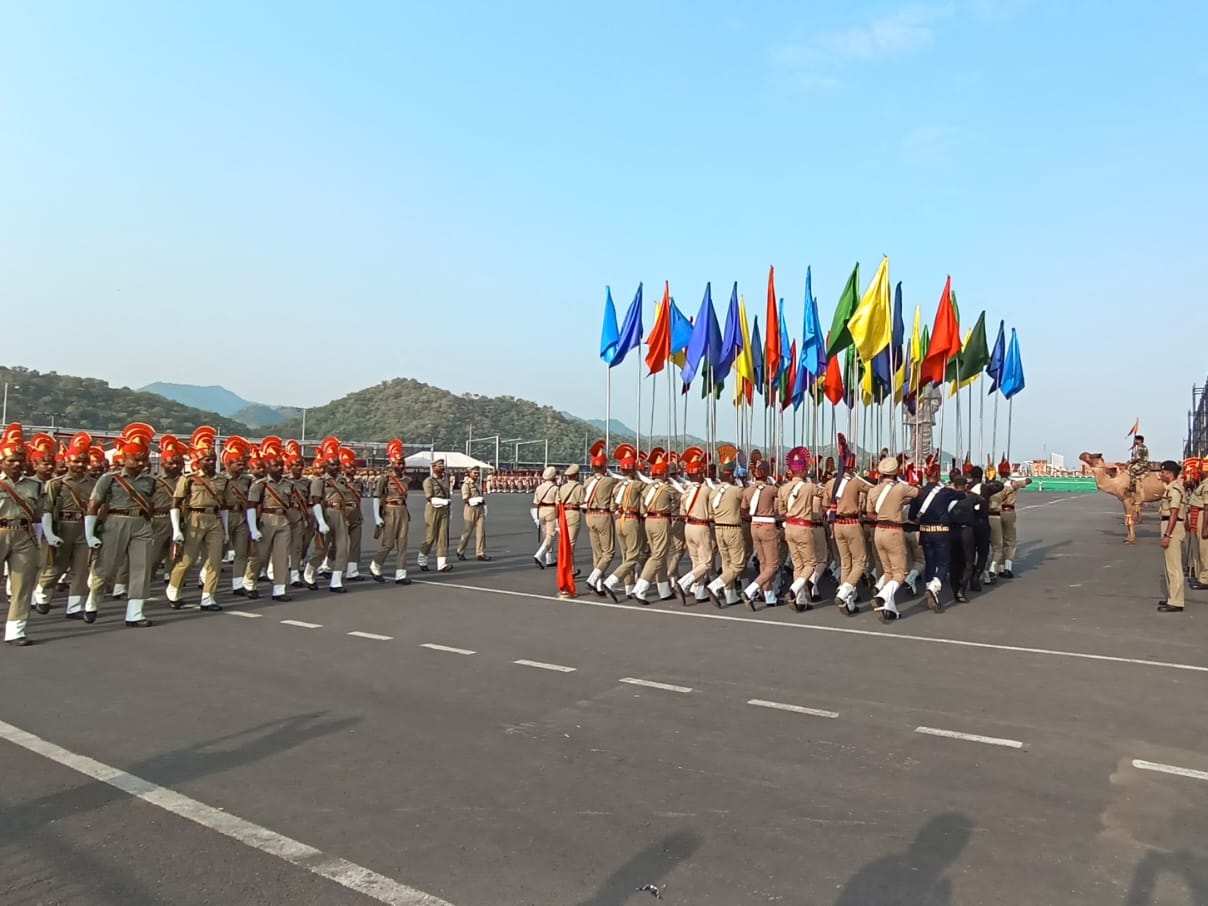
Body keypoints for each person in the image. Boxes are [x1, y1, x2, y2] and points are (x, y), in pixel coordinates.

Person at [86, 424, 157, 627]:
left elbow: (150, 503)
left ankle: (135, 613)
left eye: (144, 459)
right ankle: (93, 600)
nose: (141, 463)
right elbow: (93, 505)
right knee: (105, 566)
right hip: (114, 522)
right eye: (137, 459)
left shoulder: (150, 481)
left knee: (141, 568)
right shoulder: (109, 479)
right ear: (124, 459)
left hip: (140, 524)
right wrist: (90, 533)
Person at [167, 427, 230, 610]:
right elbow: (176, 503)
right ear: (198, 461)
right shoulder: (189, 478)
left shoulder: (222, 480)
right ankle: (173, 588)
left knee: (214, 560)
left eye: (213, 459)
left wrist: (225, 529)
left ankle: (208, 597)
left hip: (214, 520)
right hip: (195, 518)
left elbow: (224, 506)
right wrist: (177, 529)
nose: (211, 462)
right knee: (187, 560)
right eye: (207, 459)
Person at [36, 432, 95, 617]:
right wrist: (50, 534)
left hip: (83, 528)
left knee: (81, 570)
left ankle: (75, 607)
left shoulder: (94, 483)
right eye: (76, 461)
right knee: (55, 568)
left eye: (83, 462)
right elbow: (47, 509)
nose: (80, 465)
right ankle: (42, 594)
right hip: (62, 527)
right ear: (67, 462)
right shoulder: (56, 484)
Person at [0, 423, 42, 645]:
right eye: (11, 461)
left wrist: (39, 538)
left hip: (23, 534)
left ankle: (16, 630)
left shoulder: (34, 485)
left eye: (20, 460)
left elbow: (38, 513)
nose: (17, 464)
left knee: (23, 584)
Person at [867, 456, 920, 622]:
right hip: (893, 530)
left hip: (879, 530)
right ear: (895, 473)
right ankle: (883, 596)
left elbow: (869, 513)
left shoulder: (873, 490)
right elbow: (919, 492)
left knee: (888, 570)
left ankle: (890, 608)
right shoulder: (900, 489)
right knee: (900, 572)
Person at [909, 457, 962, 612]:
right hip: (942, 531)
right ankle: (935, 586)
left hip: (925, 532)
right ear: (938, 475)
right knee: (944, 562)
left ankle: (928, 588)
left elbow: (912, 516)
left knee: (930, 562)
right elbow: (961, 496)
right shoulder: (945, 491)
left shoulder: (919, 492)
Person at [246, 436, 294, 602]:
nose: (280, 468)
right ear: (267, 466)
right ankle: (250, 582)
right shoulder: (259, 485)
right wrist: (253, 528)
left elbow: (292, 504)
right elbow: (251, 506)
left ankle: (279, 589)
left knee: (282, 556)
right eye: (276, 465)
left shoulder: (288, 484)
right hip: (266, 519)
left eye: (281, 465)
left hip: (283, 520)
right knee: (260, 555)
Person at [306, 438, 354, 591]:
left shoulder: (342, 481)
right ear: (326, 465)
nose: (336, 467)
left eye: (337, 464)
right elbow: (316, 501)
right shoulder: (319, 481)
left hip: (340, 514)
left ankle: (336, 581)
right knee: (321, 549)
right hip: (326, 514)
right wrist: (320, 521)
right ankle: (309, 572)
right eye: (333, 464)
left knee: (342, 548)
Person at [777, 446, 819, 612]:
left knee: (798, 564)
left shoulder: (782, 488)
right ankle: (795, 589)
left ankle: (800, 600)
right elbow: (824, 493)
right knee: (811, 563)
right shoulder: (808, 487)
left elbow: (780, 511)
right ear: (803, 471)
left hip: (789, 526)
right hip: (803, 526)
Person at [632, 451, 676, 604]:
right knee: (657, 555)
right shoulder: (666, 488)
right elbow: (679, 498)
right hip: (661, 520)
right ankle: (641, 588)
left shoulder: (647, 488)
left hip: (648, 521)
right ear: (664, 474)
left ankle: (664, 590)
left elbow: (642, 506)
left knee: (659, 554)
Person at [602, 445, 644, 602]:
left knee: (626, 556)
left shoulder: (617, 486)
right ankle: (611, 581)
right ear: (633, 470)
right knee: (633, 556)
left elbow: (613, 506)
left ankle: (629, 588)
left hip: (619, 519)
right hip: (631, 520)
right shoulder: (637, 485)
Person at [741, 458, 783, 610]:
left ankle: (769, 596)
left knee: (764, 563)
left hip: (754, 526)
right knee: (772, 565)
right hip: (767, 525)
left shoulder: (747, 490)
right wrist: (775, 482)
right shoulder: (771, 489)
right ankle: (751, 590)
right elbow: (782, 493)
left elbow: (744, 510)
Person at [704, 455, 745, 608]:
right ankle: (716, 585)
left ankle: (731, 594)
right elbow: (745, 505)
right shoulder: (736, 490)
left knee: (727, 563)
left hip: (718, 528)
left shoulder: (714, 492)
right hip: (732, 528)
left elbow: (710, 513)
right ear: (730, 474)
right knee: (738, 564)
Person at [674, 447, 713, 605]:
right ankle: (685, 582)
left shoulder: (686, 491)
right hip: (701, 526)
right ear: (699, 474)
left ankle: (699, 591)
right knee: (707, 562)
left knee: (696, 560)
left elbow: (682, 512)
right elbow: (712, 511)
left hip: (688, 526)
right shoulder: (706, 490)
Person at [370, 439, 412, 584]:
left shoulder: (406, 479)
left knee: (402, 543)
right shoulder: (385, 479)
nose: (401, 466)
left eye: (402, 463)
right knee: (388, 544)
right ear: (392, 463)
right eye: (398, 463)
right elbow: (376, 497)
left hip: (402, 511)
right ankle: (375, 564)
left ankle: (401, 573)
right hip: (389, 511)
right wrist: (377, 517)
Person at [582, 441, 617, 596]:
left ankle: (599, 585)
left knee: (597, 553)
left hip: (589, 515)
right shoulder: (609, 481)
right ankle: (593, 579)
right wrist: (609, 473)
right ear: (604, 467)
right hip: (603, 516)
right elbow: (625, 480)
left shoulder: (587, 481)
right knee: (608, 552)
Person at [993, 458, 1031, 579]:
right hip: (1009, 512)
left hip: (996, 513)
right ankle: (1007, 568)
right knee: (1010, 541)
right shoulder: (1012, 484)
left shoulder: (995, 484)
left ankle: (995, 568)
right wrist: (1015, 482)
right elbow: (1028, 480)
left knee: (998, 542)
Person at [1157, 459, 1185, 613]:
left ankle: (1176, 601)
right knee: (1169, 566)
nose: (1161, 474)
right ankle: (1172, 597)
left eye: (1162, 472)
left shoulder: (1174, 490)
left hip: (1172, 527)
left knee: (1174, 567)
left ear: (1169, 473)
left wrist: (1167, 534)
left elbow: (1174, 513)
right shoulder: (1171, 488)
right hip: (1170, 525)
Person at [947, 475, 979, 603]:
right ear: (966, 486)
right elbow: (982, 502)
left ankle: (955, 589)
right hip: (967, 531)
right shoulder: (971, 497)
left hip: (952, 531)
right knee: (969, 561)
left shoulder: (948, 498)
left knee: (953, 562)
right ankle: (962, 588)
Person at [419, 457, 453, 573]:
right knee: (431, 537)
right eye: (439, 466)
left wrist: (449, 508)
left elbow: (448, 496)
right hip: (432, 509)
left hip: (444, 510)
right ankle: (422, 558)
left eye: (442, 466)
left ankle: (441, 564)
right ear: (434, 467)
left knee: (443, 537)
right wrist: (444, 502)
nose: (442, 468)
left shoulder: (445, 480)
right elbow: (429, 497)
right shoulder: (428, 481)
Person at [456, 465, 489, 562]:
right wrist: (477, 500)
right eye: (475, 473)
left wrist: (483, 504)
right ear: (470, 473)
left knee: (481, 532)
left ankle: (480, 553)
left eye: (478, 473)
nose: (477, 475)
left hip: (479, 509)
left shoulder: (477, 483)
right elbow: (465, 499)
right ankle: (460, 551)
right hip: (470, 509)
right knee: (467, 531)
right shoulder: (466, 484)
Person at [531, 465, 559, 568]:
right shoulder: (555, 488)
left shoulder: (539, 487)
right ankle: (539, 555)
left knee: (545, 535)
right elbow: (557, 504)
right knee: (550, 535)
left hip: (541, 510)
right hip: (551, 510)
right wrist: (557, 518)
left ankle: (549, 558)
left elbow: (536, 502)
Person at [1126, 434, 1150, 543]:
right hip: (1140, 462)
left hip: (1142, 464)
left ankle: (1133, 483)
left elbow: (1138, 459)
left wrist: (1130, 462)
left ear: (1139, 440)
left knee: (1132, 470)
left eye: (1136, 440)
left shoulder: (1142, 448)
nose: (1135, 441)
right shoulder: (1140, 448)